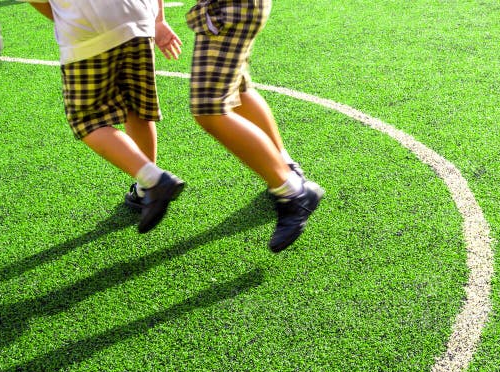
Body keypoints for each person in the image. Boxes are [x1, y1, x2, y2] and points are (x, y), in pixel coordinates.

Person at [21, 0, 185, 233]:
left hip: (88, 26)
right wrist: (158, 19)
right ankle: (144, 190)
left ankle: (154, 180)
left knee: (86, 120)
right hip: (139, 17)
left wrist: (66, 17)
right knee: (135, 107)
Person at [185, 0, 323, 252]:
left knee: (209, 109)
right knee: (239, 88)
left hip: (229, 8)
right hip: (242, 6)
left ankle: (293, 194)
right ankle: (287, 168)